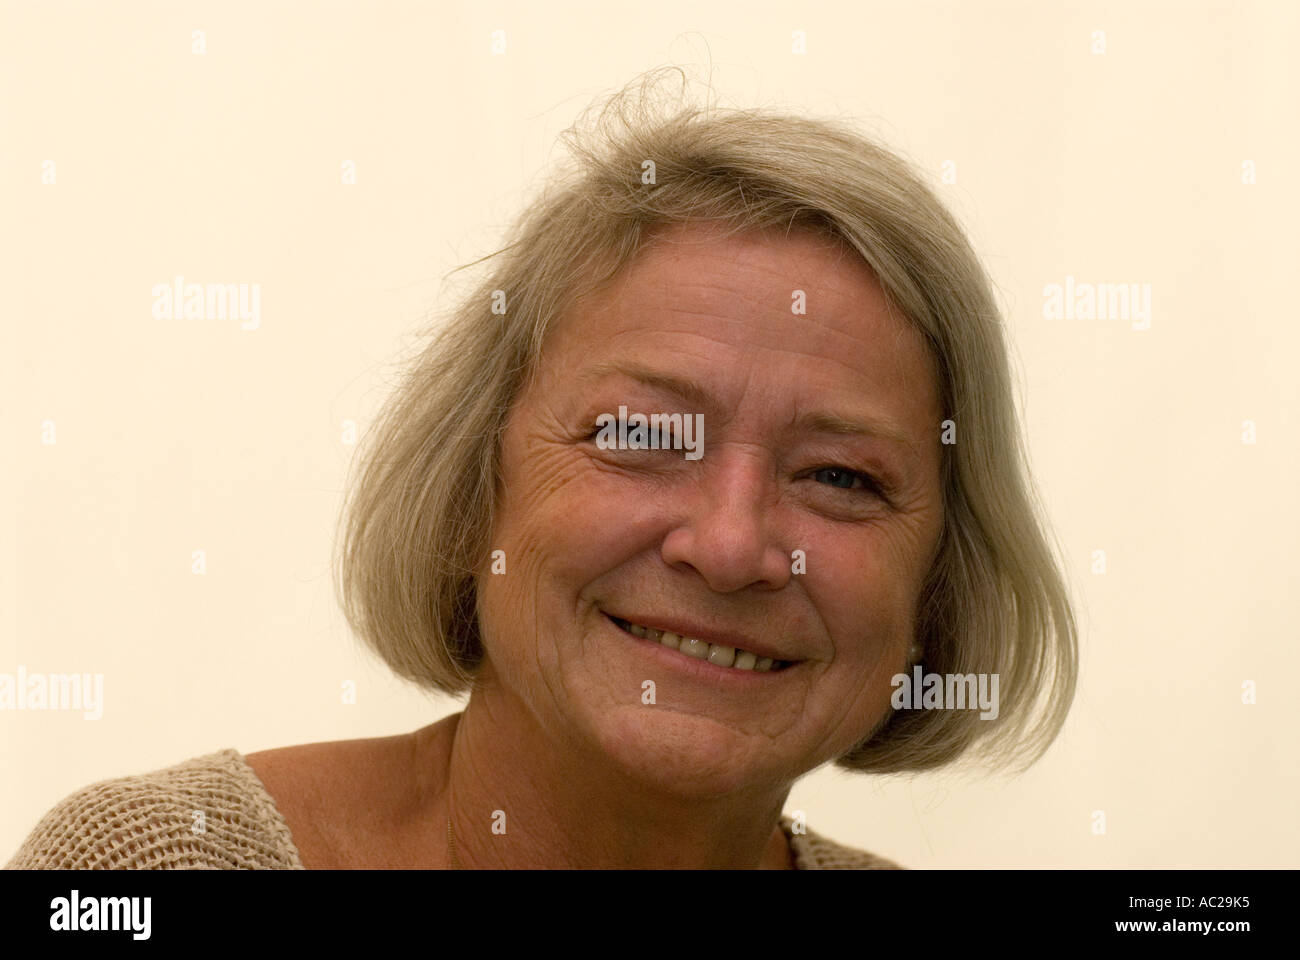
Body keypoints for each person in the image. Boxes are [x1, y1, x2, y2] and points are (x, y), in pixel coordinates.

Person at [6, 71, 1076, 870]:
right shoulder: (152, 870)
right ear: (475, 489)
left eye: (840, 478)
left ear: (939, 583)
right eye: (644, 437)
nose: (731, 544)